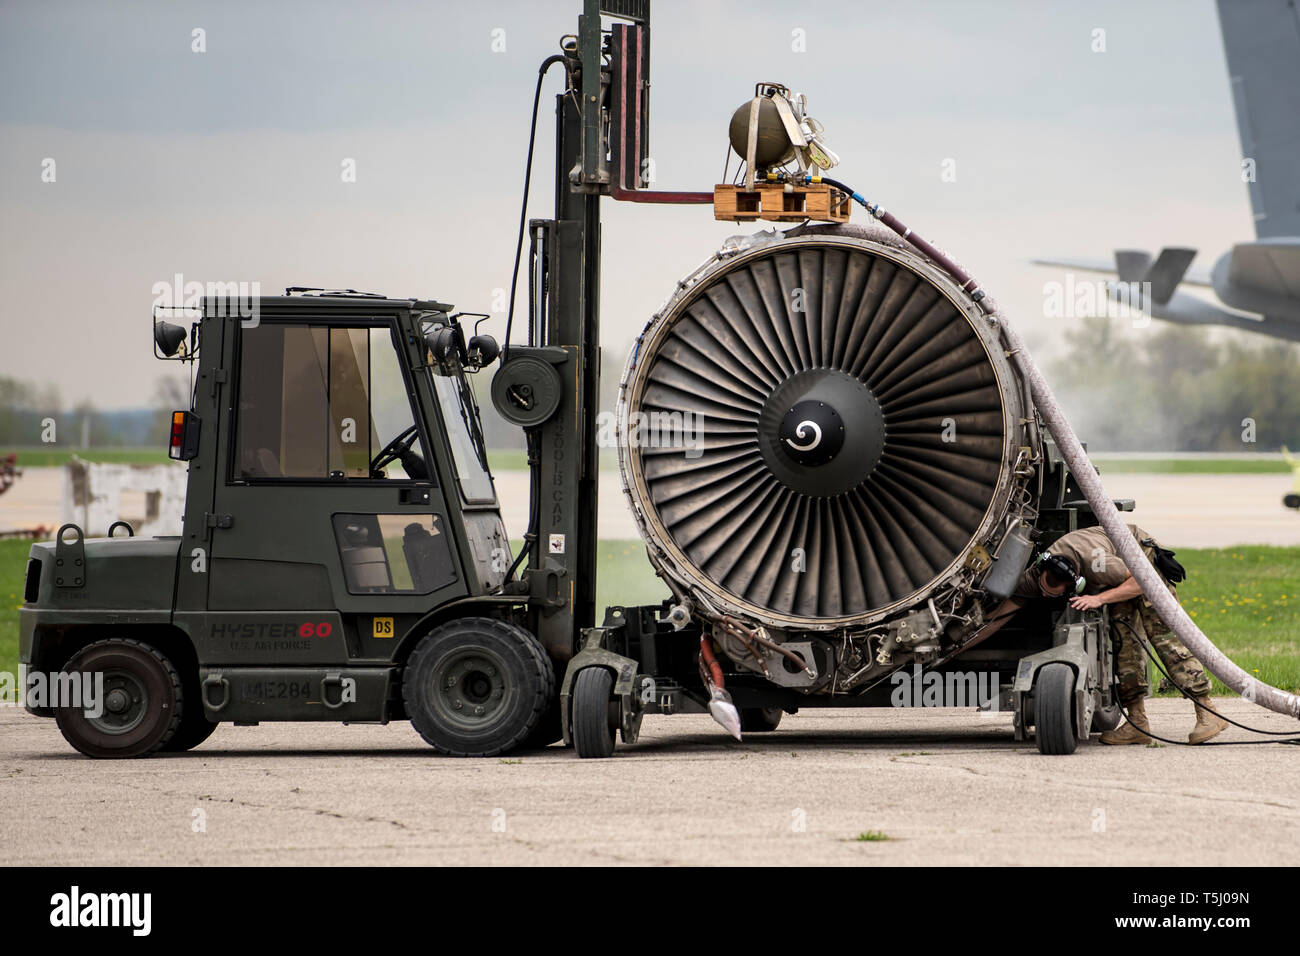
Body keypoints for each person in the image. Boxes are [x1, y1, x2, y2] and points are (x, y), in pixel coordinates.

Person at [975, 523, 1227, 745]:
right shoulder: (1042, 569)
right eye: (1044, 590)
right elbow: (1006, 610)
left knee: (1163, 637)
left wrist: (1099, 599)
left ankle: (1208, 712)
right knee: (1124, 643)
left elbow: (1140, 580)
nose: (1045, 596)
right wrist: (972, 634)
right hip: (1121, 577)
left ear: (1075, 585)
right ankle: (1137, 724)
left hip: (1142, 566)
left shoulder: (1098, 564)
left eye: (1053, 593)